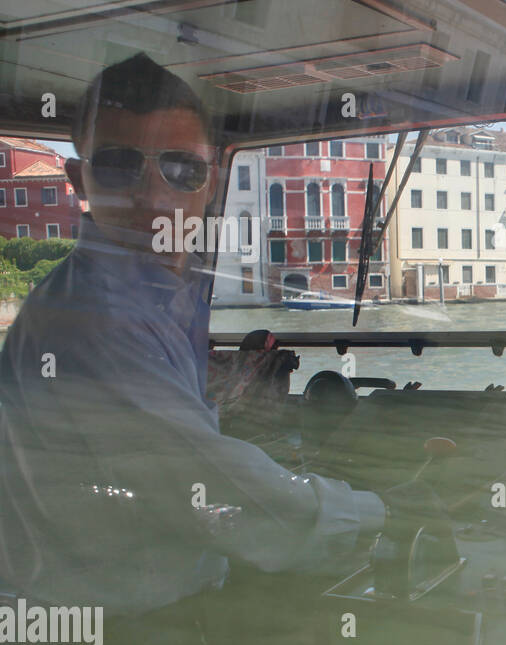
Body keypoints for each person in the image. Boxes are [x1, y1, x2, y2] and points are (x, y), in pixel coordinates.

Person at [0, 54, 422, 615]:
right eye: (120, 167)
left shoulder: (170, 285)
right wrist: (384, 513)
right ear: (80, 180)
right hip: (118, 638)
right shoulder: (90, 317)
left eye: (182, 170)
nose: (154, 198)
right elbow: (209, 485)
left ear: (209, 182)